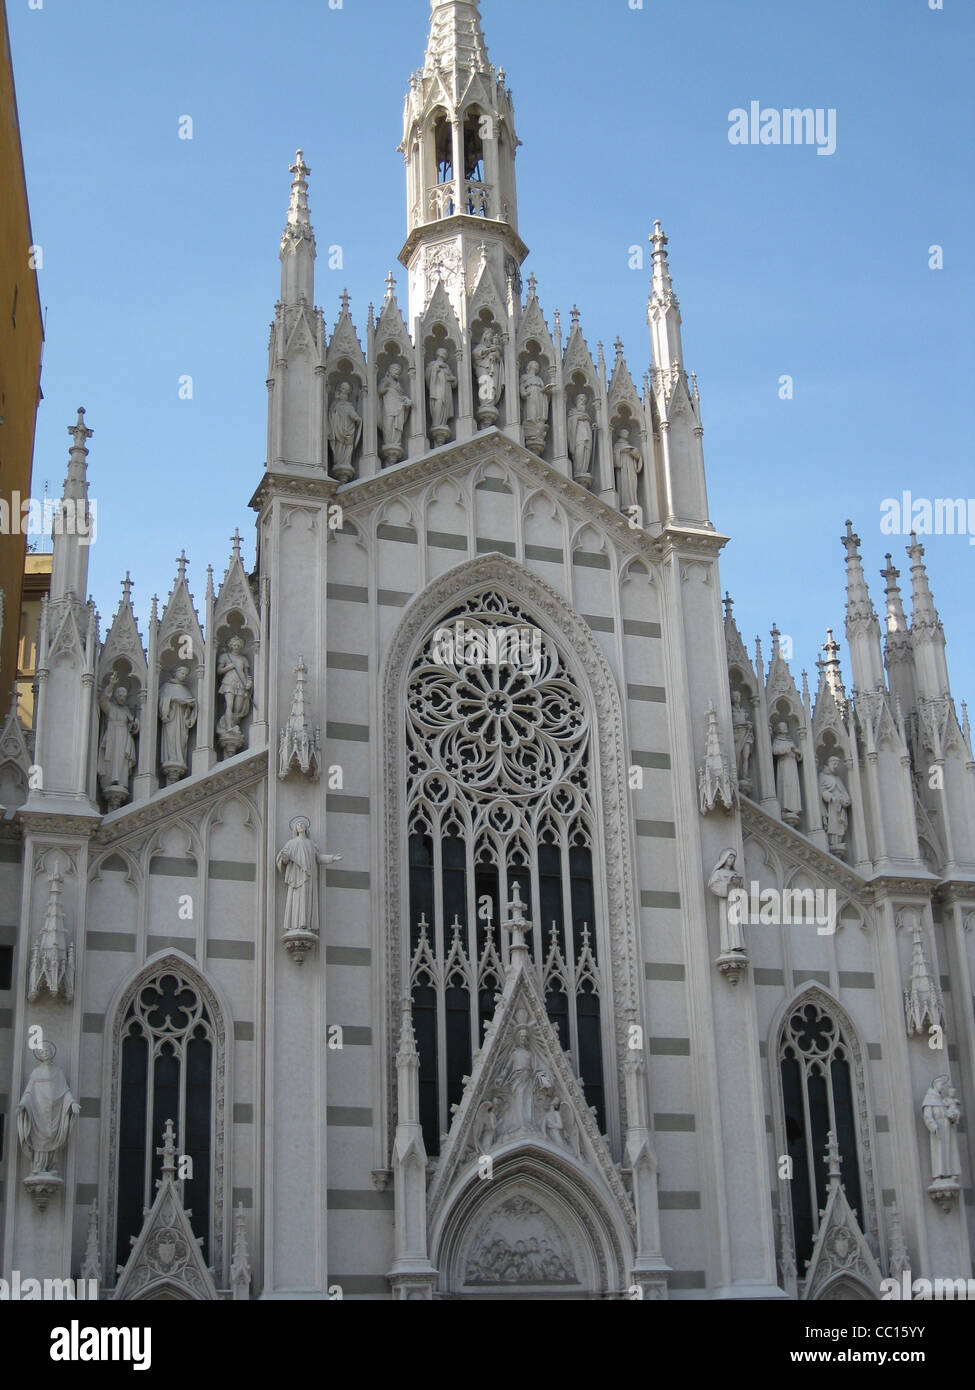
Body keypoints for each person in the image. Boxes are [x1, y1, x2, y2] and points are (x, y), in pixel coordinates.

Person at [98, 673, 138, 803]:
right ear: (116, 696)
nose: (122, 698)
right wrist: (111, 684)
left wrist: (134, 724)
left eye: (124, 696)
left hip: (124, 736)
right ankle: (110, 780)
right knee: (112, 757)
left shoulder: (126, 710)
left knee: (121, 759)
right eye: (120, 695)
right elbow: (103, 700)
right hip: (112, 735)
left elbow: (133, 724)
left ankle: (121, 780)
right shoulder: (111, 707)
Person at [158, 665, 198, 784]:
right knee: (170, 738)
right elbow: (161, 701)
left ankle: (179, 759)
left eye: (185, 674)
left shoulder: (185, 689)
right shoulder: (166, 687)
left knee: (181, 739)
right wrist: (174, 700)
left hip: (182, 719)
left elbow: (192, 705)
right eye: (182, 673)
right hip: (171, 719)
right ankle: (171, 758)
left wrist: (190, 704)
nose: (184, 676)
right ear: (175, 673)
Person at [328, 382, 362, 481]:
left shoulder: (348, 405)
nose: (345, 392)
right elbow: (331, 415)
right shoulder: (335, 404)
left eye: (347, 391)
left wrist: (357, 418)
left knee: (347, 446)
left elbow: (352, 413)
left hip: (348, 430)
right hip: (338, 429)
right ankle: (339, 463)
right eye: (343, 389)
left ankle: (345, 463)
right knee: (339, 447)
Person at [613, 429, 643, 511]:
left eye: (627, 432)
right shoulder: (617, 445)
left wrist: (636, 455)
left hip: (631, 468)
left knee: (632, 484)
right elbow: (615, 458)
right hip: (623, 469)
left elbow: (637, 458)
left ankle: (632, 503)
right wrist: (621, 451)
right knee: (624, 484)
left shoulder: (630, 446)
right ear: (620, 434)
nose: (627, 434)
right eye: (625, 432)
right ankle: (625, 504)